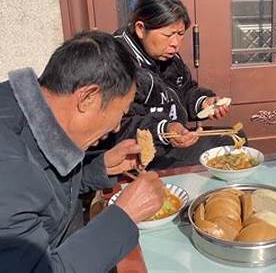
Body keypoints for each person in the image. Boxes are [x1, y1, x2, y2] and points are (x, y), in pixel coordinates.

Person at [0, 31, 165, 272]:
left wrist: (98, 168)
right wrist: (124, 217)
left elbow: (43, 189)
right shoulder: (8, 170)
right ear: (88, 97)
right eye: (121, 113)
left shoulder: (27, 111)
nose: (118, 127)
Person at [106, 0, 240, 169]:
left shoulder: (168, 55)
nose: (175, 43)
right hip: (141, 156)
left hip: (174, 140)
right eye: (168, 35)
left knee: (234, 139)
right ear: (140, 28)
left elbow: (185, 90)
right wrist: (165, 129)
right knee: (226, 149)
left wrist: (203, 103)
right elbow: (117, 126)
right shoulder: (116, 62)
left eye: (180, 34)